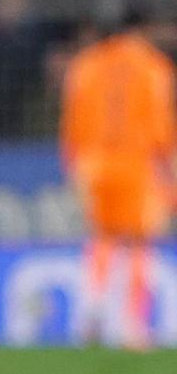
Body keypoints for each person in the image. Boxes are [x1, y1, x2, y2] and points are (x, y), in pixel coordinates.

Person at [60, 20, 175, 348]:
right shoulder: (154, 66)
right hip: (136, 165)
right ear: (141, 31)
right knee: (139, 242)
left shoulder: (84, 65)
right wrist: (170, 173)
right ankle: (133, 326)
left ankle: (92, 308)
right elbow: (161, 127)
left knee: (103, 238)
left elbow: (72, 122)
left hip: (93, 165)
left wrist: (73, 167)